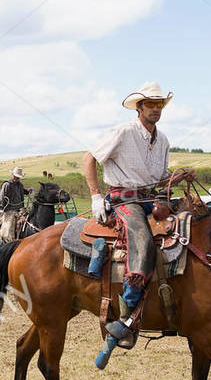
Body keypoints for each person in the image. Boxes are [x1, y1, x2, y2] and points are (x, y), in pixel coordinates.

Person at [81, 83, 192, 355]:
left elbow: (160, 179)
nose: (156, 109)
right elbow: (88, 159)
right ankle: (126, 315)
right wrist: (96, 196)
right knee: (141, 241)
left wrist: (179, 176)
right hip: (124, 199)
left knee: (190, 225)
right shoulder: (123, 132)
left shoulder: (163, 140)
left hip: (151, 199)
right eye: (150, 104)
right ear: (139, 108)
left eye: (159, 104)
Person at [0, 167, 32, 244]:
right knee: (8, 230)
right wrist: (0, 208)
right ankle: (5, 243)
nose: (17, 178)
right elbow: (1, 197)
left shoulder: (20, 185)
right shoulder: (7, 185)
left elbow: (23, 191)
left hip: (20, 209)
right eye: (15, 176)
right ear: (12, 175)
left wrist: (28, 191)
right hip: (9, 210)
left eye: (18, 177)